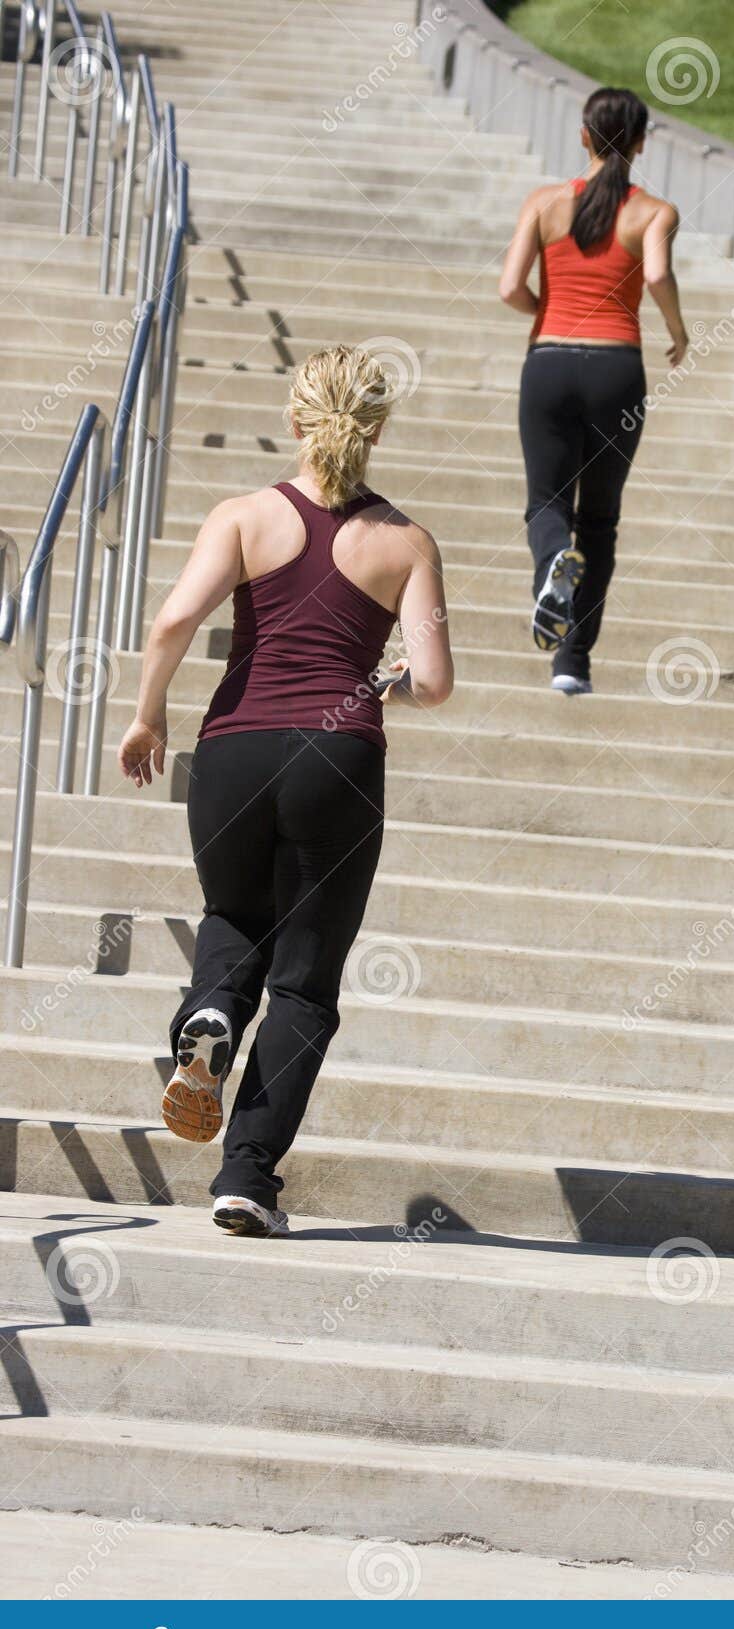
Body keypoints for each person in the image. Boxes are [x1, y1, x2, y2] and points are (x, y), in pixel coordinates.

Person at [118, 344, 453, 1237]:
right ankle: (246, 1180)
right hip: (337, 760)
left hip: (232, 750)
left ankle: (211, 1012)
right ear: (377, 428)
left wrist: (147, 716)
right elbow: (435, 680)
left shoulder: (241, 516)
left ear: (296, 419)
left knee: (231, 916)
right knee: (304, 985)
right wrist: (382, 684)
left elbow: (174, 617)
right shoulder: (407, 541)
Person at [498, 85, 689, 696]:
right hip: (617, 371)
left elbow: (508, 288)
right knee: (600, 521)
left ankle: (552, 562)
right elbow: (655, 272)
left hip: (548, 363)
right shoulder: (654, 212)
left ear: (583, 135)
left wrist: (544, 313)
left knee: (546, 504)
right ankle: (572, 664)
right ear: (639, 142)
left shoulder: (542, 203)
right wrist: (678, 330)